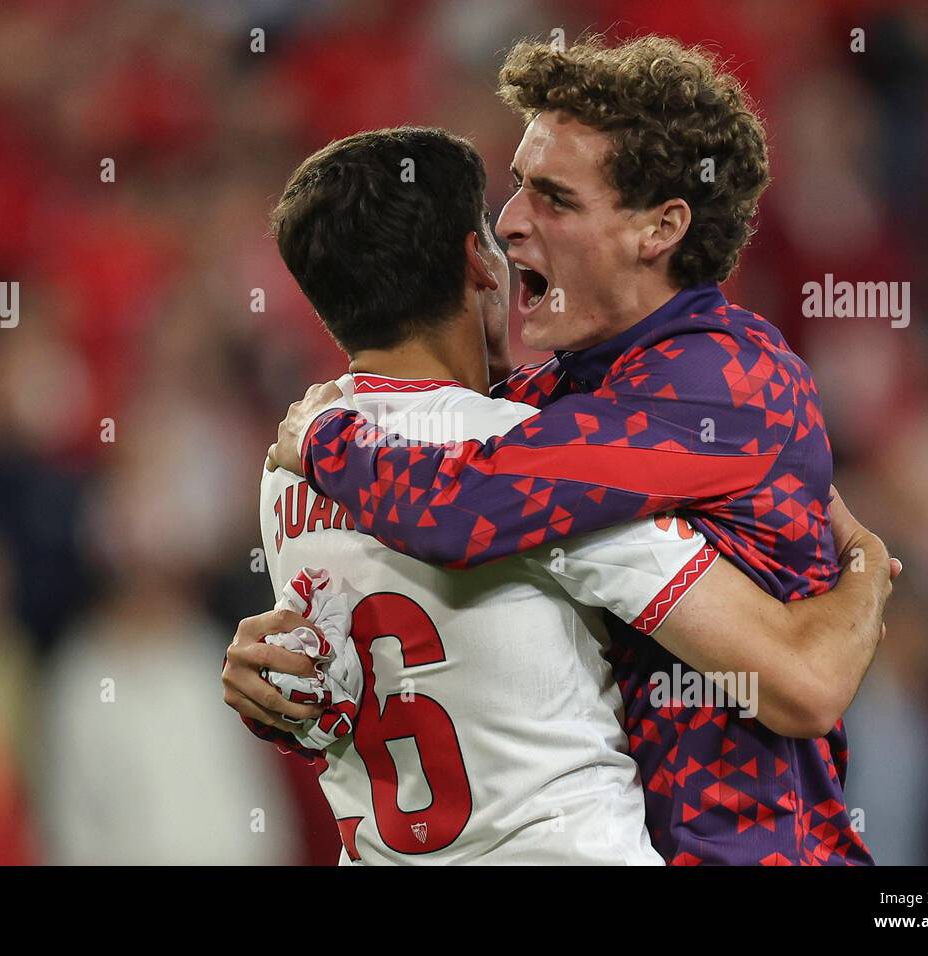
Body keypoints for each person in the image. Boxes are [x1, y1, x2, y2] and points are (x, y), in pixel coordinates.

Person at [267, 36, 882, 865]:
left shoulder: (727, 380)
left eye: (552, 197)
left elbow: (459, 509)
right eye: (516, 184)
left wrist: (326, 436)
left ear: (660, 228)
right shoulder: (548, 400)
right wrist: (287, 674)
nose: (509, 221)